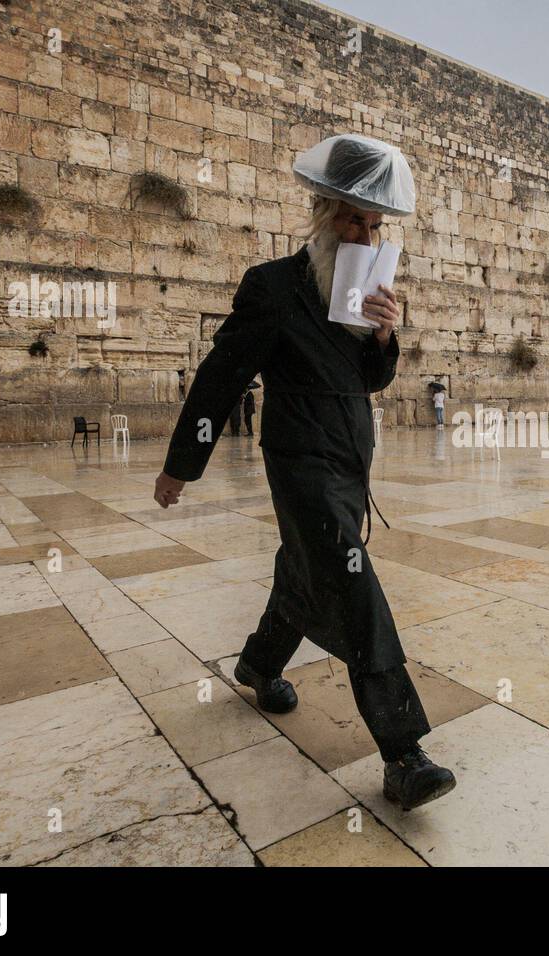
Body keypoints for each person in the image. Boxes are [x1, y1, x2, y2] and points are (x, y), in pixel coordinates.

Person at [153, 134, 455, 811]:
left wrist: (383, 336)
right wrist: (181, 466)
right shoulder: (272, 288)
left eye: (374, 224)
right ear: (322, 211)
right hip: (298, 462)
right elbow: (221, 377)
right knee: (351, 579)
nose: (364, 234)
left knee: (305, 566)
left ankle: (260, 664)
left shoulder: (363, 289)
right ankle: (403, 752)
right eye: (353, 218)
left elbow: (371, 382)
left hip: (351, 461)